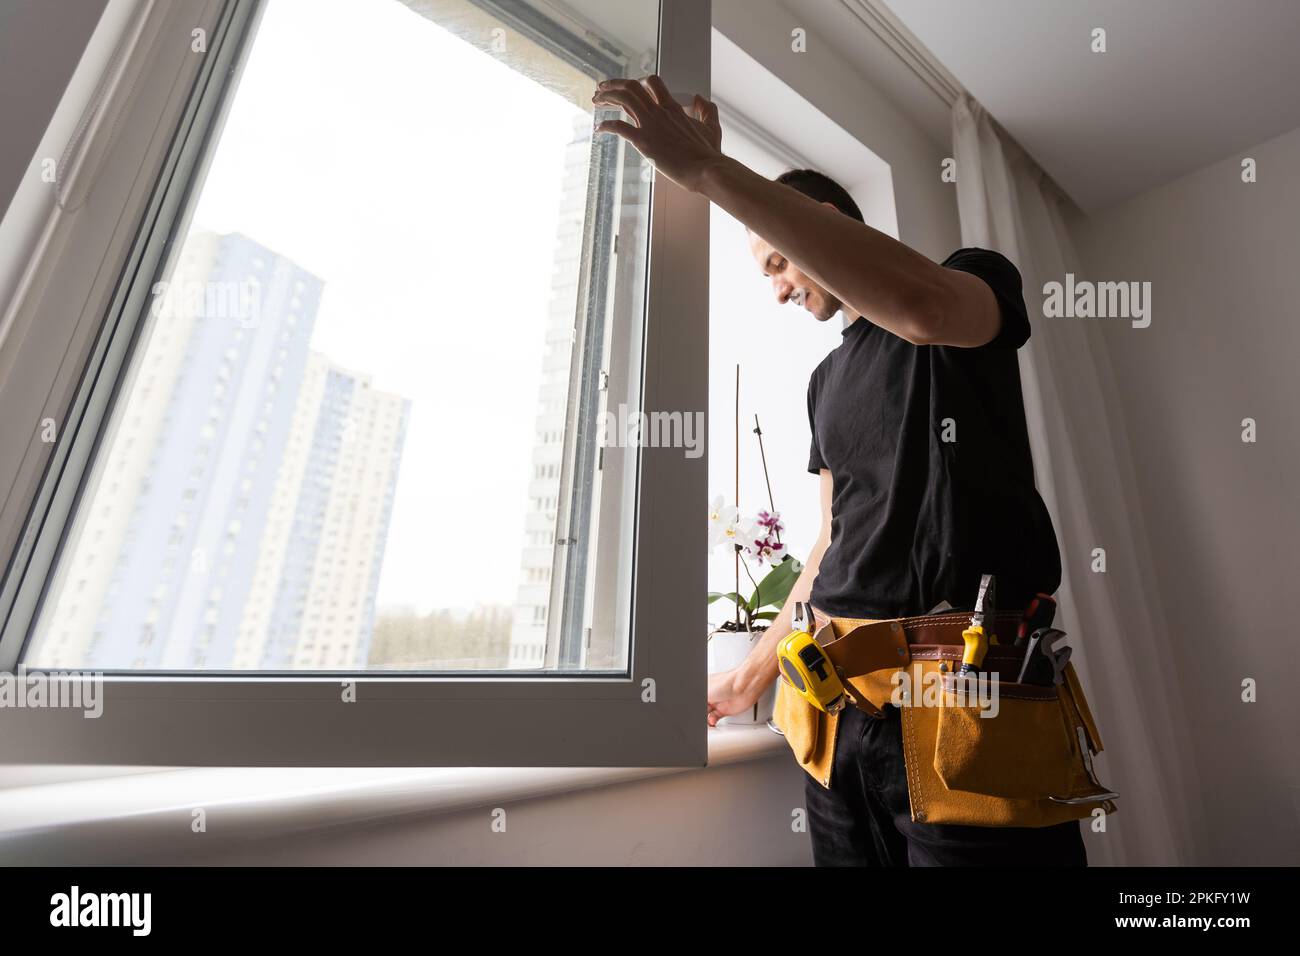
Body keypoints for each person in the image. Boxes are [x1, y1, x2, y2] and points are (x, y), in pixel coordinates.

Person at [593, 76, 1080, 866]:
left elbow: (922, 308)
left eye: (778, 262)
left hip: (964, 698)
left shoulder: (969, 278)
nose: (778, 290)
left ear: (824, 221)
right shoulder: (824, 382)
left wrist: (712, 173)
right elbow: (828, 545)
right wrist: (750, 677)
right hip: (836, 713)